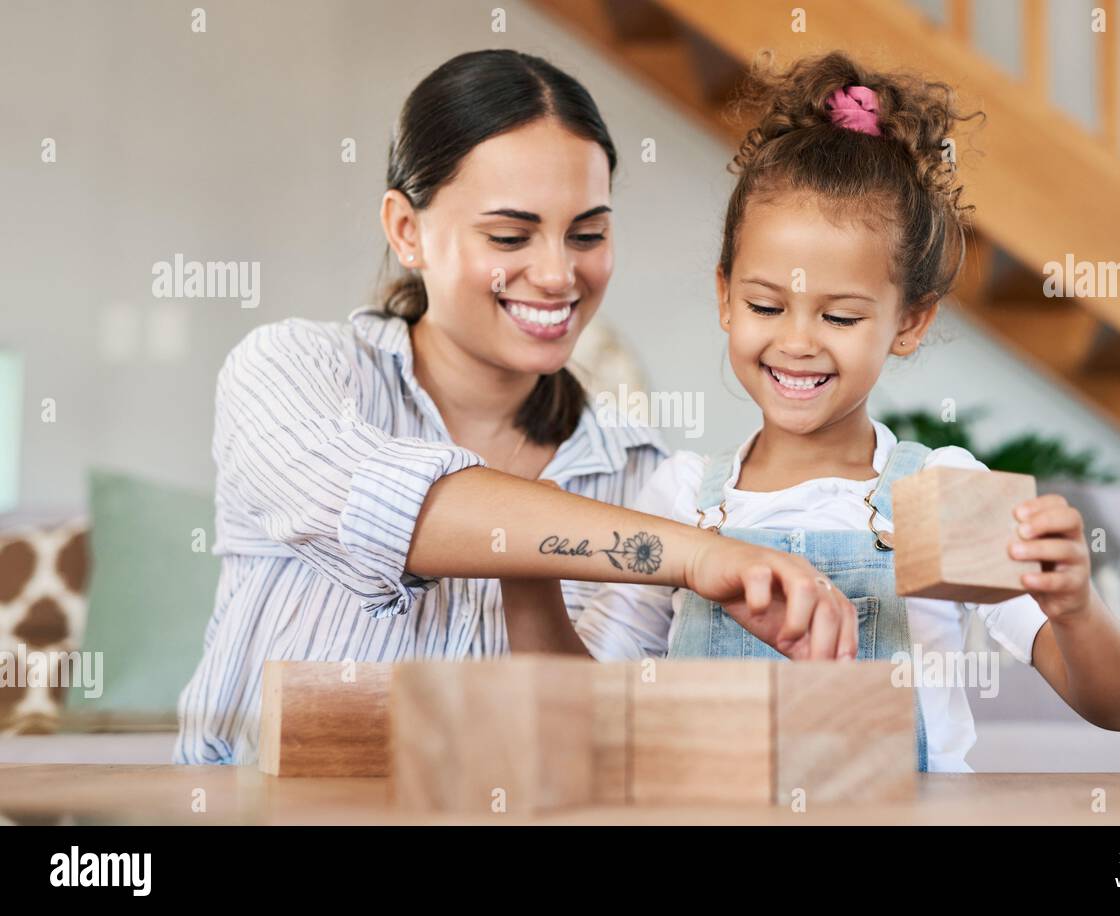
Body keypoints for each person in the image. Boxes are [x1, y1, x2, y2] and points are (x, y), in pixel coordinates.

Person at [174, 49, 857, 766]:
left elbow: (596, 749)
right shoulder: (291, 372)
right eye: (509, 236)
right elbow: (382, 506)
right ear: (407, 230)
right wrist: (693, 555)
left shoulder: (640, 474)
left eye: (588, 233)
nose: (560, 274)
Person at [501, 51, 1120, 773]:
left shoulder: (940, 487)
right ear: (724, 296)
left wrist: (1073, 609)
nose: (798, 341)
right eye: (765, 305)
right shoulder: (681, 499)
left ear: (909, 321)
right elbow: (582, 710)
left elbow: (1117, 707)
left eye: (840, 317)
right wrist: (525, 568)